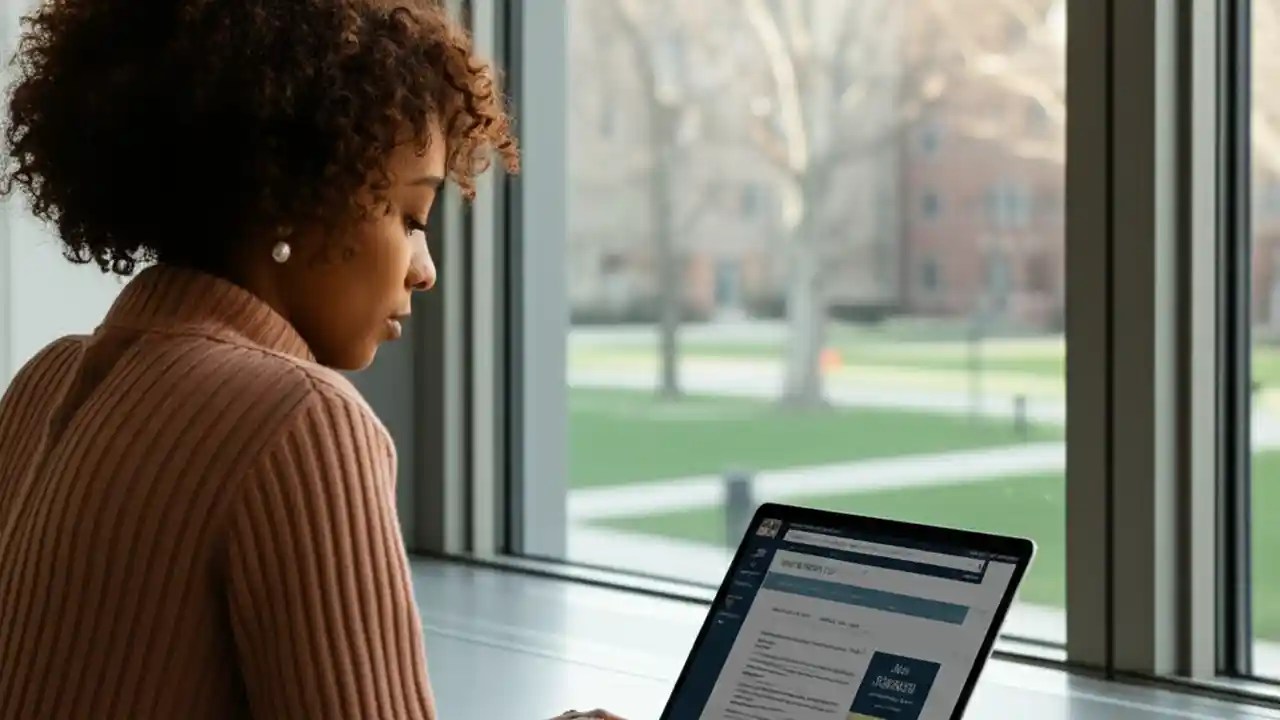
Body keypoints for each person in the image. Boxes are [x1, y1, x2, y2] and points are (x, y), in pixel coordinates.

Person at [0, 1, 623, 718]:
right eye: (411, 219)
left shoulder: (43, 382)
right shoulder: (301, 422)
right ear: (295, 198)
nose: (425, 270)